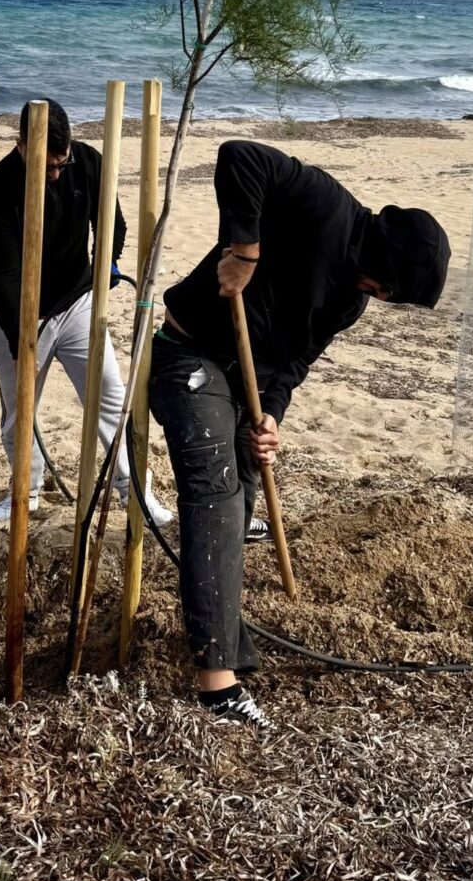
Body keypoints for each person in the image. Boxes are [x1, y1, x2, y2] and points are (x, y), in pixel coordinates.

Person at [150, 139, 450, 728]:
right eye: (392, 289)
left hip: (249, 383)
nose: (385, 298)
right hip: (188, 356)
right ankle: (217, 683)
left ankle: (222, 617)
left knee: (244, 489)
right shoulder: (328, 205)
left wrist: (271, 417)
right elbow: (241, 158)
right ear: (390, 258)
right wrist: (245, 252)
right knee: (215, 494)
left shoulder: (350, 301)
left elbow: (293, 363)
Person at [0, 98, 172, 526]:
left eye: (61, 164)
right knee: (19, 412)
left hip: (78, 305)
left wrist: (108, 262)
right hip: (20, 313)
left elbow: (113, 222)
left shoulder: (87, 162)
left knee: (111, 398)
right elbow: (4, 279)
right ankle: (25, 493)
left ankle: (135, 493)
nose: (56, 174)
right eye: (47, 167)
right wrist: (20, 339)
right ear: (22, 146)